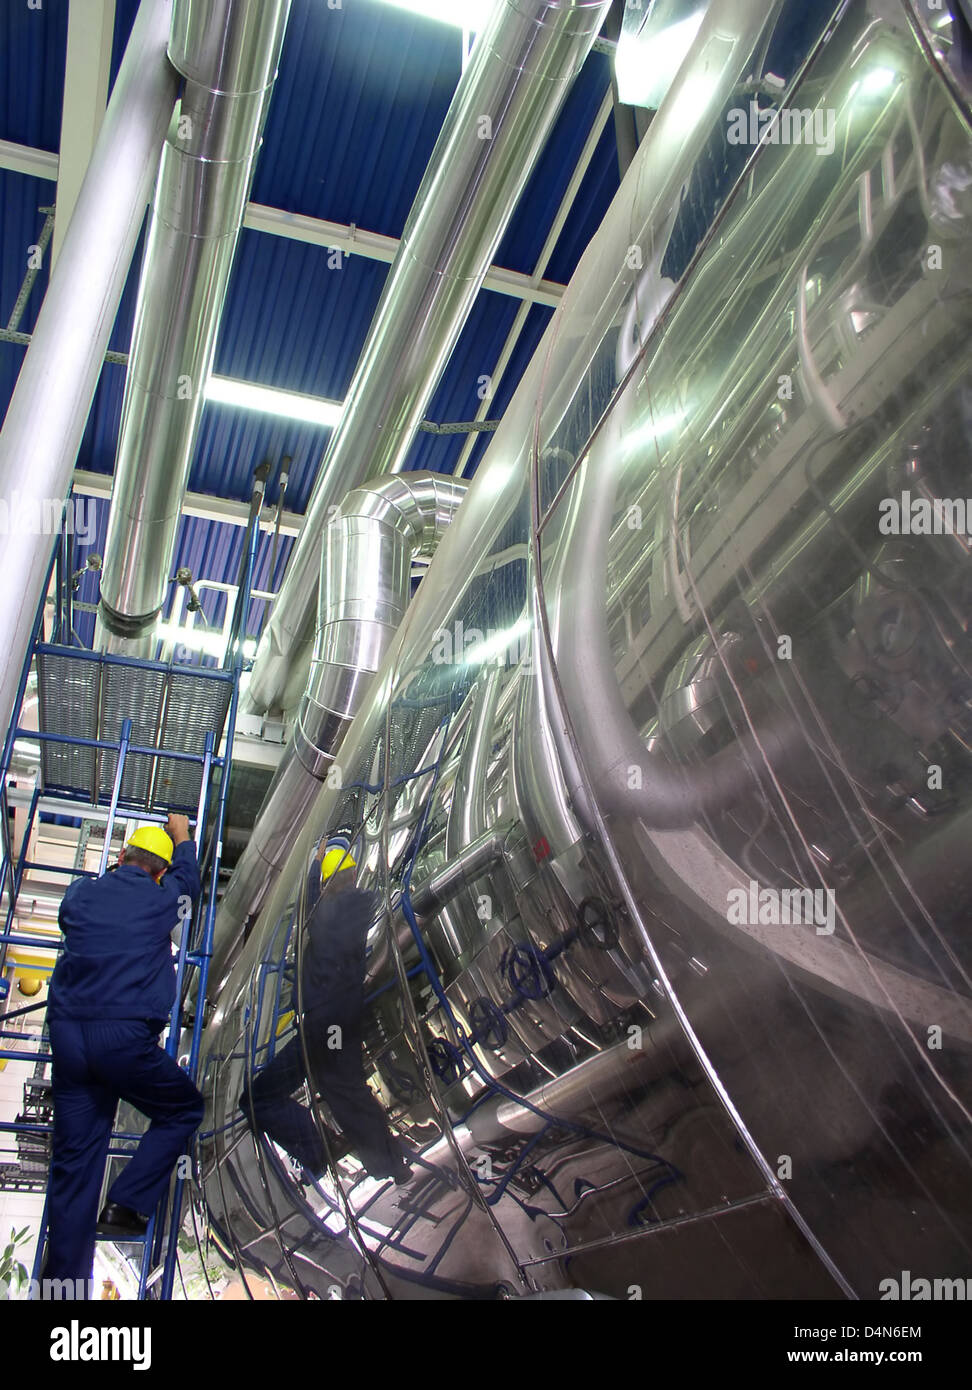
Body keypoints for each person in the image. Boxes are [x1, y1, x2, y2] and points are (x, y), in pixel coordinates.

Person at [42, 814, 204, 1296]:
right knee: (182, 1108)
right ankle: (127, 1204)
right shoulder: (162, 900)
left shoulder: (79, 895)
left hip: (70, 1043)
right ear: (160, 871)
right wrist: (185, 840)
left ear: (119, 858)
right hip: (123, 1039)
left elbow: (70, 916)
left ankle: (60, 1293)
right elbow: (187, 887)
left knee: (74, 1167)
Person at [240, 838, 411, 1185]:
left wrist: (314, 867)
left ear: (332, 884)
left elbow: (310, 908)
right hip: (340, 1021)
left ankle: (321, 1149)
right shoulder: (360, 906)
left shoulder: (333, 912)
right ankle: (389, 1161)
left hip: (324, 1026)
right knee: (346, 1089)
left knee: (260, 1098)